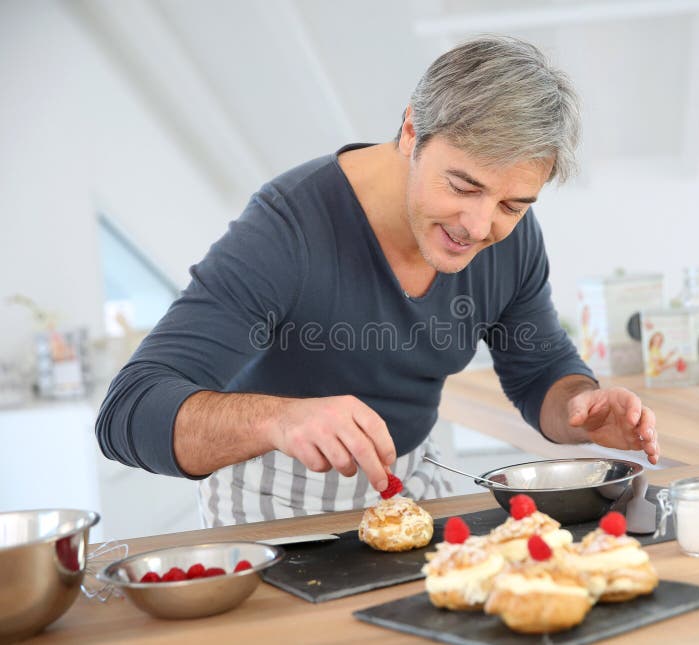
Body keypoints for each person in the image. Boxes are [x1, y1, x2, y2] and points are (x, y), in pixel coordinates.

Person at [96, 36, 659, 527]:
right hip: (272, 504)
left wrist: (582, 408)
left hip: (414, 487)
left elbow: (540, 372)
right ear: (412, 130)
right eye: (462, 187)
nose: (479, 226)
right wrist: (280, 417)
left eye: (511, 203)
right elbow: (129, 410)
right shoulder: (287, 227)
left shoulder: (508, 234)